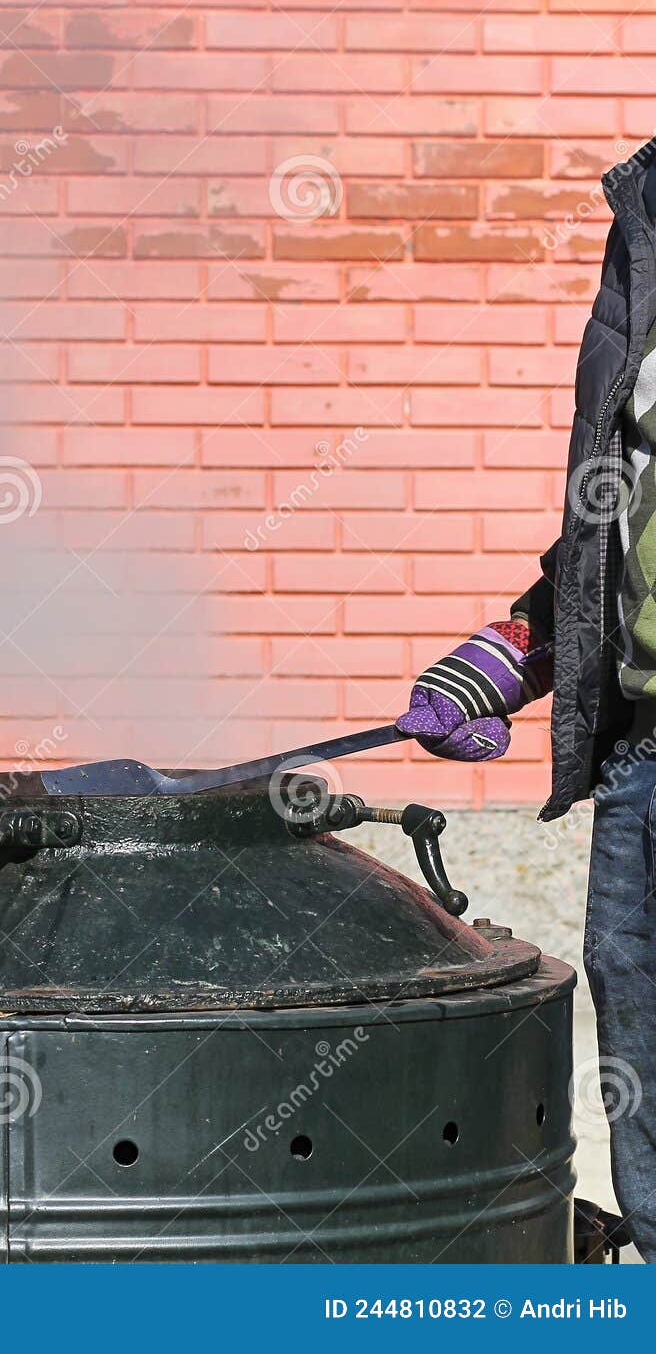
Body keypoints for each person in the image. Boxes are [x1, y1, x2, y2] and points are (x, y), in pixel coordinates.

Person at [401, 140, 656, 1260]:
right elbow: (621, 507)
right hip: (646, 757)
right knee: (642, 1043)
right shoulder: (646, 221)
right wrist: (515, 648)